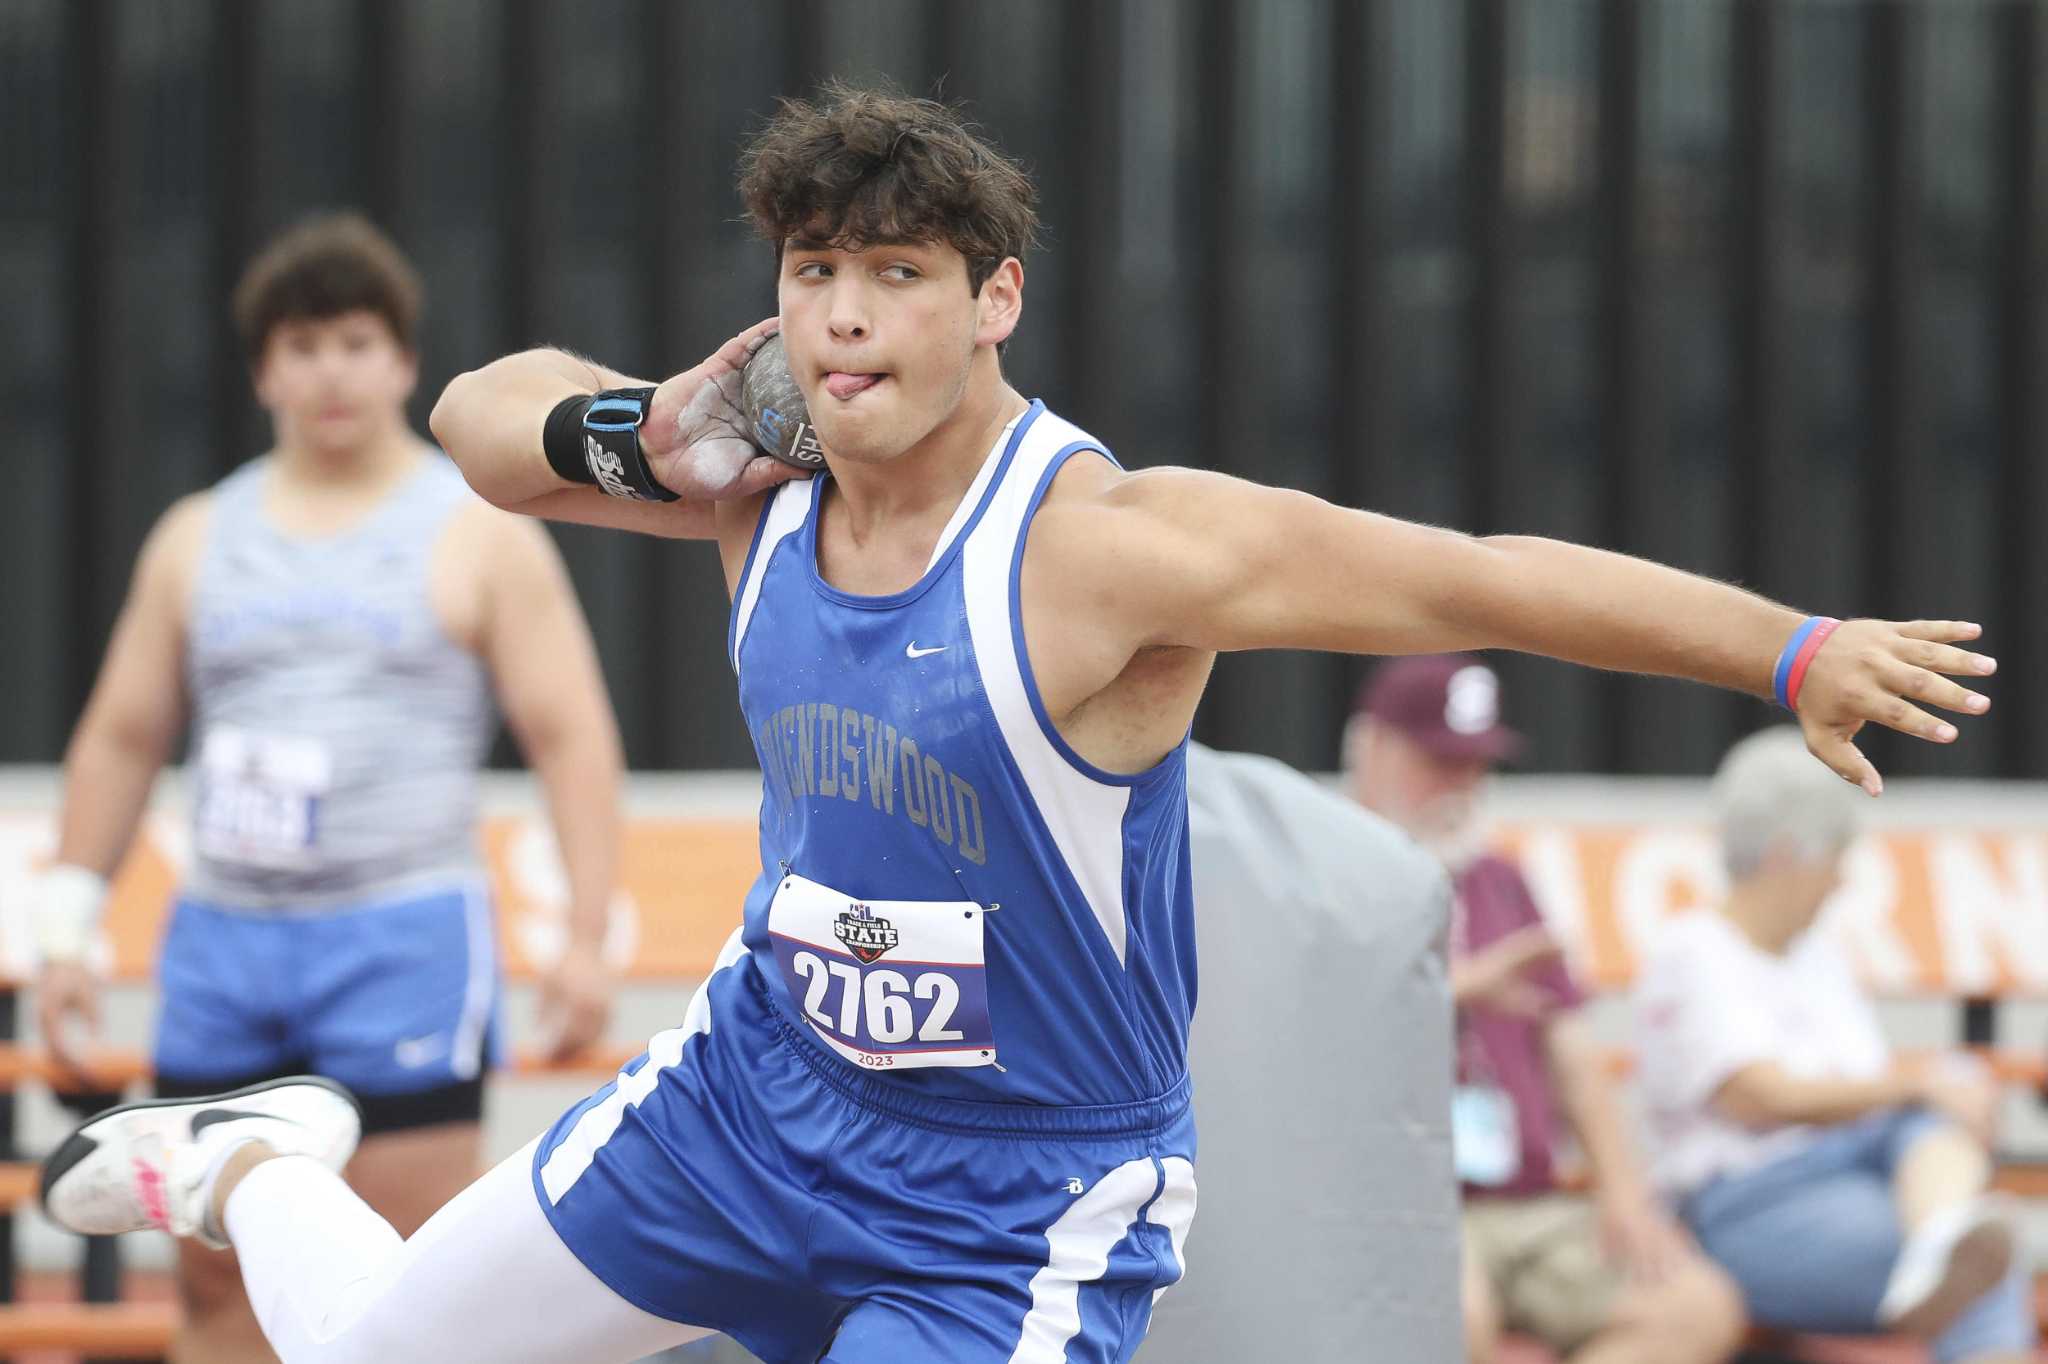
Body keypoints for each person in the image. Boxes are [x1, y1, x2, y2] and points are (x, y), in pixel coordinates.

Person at [39, 84, 1995, 1364]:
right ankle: (250, 1162)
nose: (848, 319)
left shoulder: (1108, 554)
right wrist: (654, 417)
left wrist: (1788, 647)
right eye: (816, 279)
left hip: (1007, 1204)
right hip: (750, 1106)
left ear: (997, 304)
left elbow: (1473, 574)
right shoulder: (757, 482)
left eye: (896, 278)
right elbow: (477, 426)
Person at [28, 213, 623, 1364]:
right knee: (214, 1281)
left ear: (402, 360)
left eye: (356, 342)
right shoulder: (197, 536)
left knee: (396, 1288)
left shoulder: (478, 534)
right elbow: (119, 737)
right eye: (301, 347)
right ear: (264, 372)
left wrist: (587, 937)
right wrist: (65, 930)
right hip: (227, 942)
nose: (331, 372)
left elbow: (571, 738)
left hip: (397, 939)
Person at [1343, 654, 1745, 1364]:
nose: (1461, 786)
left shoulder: (1502, 880)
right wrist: (1459, 990)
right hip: (1394, 1207)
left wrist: (1625, 1191)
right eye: (1439, 762)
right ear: (1371, 748)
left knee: (1695, 1304)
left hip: (1527, 1203)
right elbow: (1306, 1039)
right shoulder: (1326, 872)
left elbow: (1575, 1056)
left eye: (1476, 764)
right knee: (1443, 1318)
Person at [1634, 727, 2035, 1364]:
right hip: (1750, 1205)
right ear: (1788, 854)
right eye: (1837, 856)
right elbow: (1757, 1098)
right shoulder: (1694, 953)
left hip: (1861, 1177)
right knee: (1981, 1273)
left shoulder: (1816, 953)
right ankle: (1939, 1243)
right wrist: (1915, 1084)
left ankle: (1939, 1234)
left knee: (1943, 1158)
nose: (1842, 879)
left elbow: (1875, 1099)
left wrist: (1939, 1087)